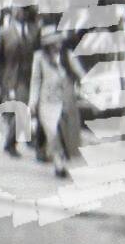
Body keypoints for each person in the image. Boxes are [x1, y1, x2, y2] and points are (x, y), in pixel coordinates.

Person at [30, 24, 84, 178]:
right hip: (46, 101)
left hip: (65, 101)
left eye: (59, 41)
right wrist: (32, 101)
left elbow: (81, 73)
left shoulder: (67, 56)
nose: (57, 44)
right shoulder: (39, 57)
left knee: (63, 135)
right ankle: (58, 163)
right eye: (53, 42)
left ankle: (61, 159)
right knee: (52, 133)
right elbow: (35, 80)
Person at [0, 7, 38, 157]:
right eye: (19, 10)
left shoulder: (34, 31)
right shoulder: (5, 33)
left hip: (29, 76)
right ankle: (13, 142)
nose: (22, 13)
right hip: (10, 78)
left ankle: (23, 139)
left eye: (25, 11)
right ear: (13, 12)